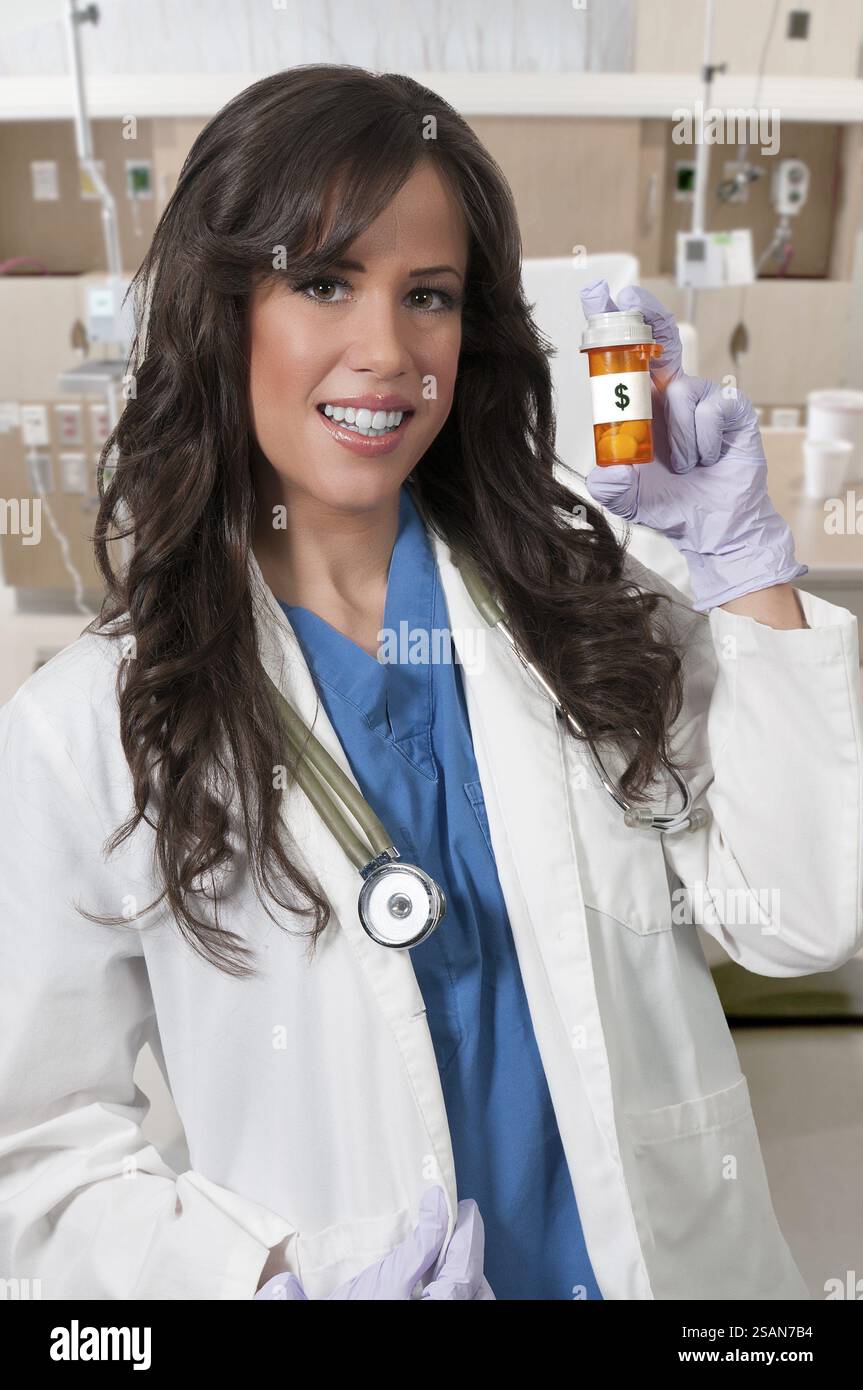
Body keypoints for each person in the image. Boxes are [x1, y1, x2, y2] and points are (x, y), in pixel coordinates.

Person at [1, 65, 861, 1302]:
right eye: (322, 282)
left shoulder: (581, 605)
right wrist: (265, 1279)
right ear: (222, 307)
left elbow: (795, 921)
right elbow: (37, 1158)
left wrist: (742, 572)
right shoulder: (91, 727)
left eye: (430, 296)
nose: (387, 352)